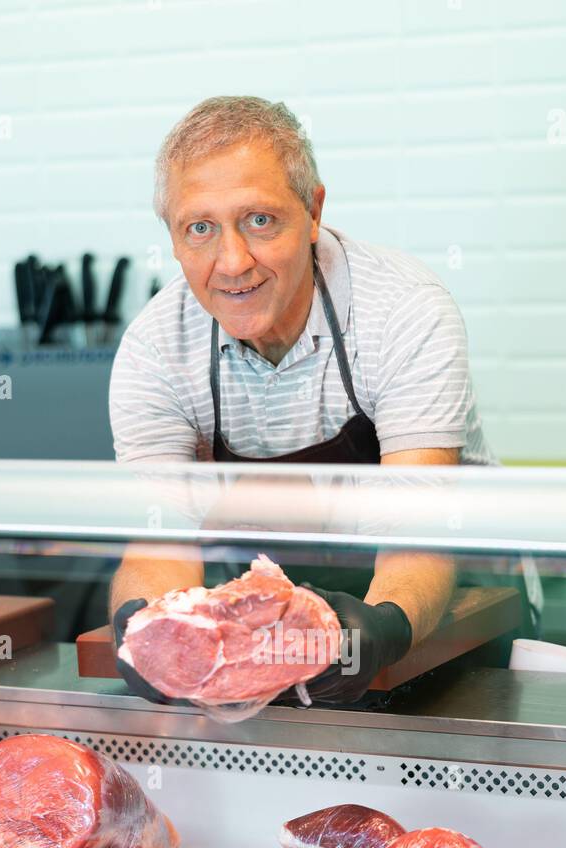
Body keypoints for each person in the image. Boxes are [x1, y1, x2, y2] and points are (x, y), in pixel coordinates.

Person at [109, 94, 499, 704]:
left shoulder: (404, 311)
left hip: (445, 634)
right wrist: (145, 631)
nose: (232, 262)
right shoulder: (154, 347)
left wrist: (383, 629)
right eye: (200, 229)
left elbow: (419, 533)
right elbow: (159, 539)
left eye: (259, 220)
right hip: (258, 644)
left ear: (313, 212)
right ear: (173, 238)